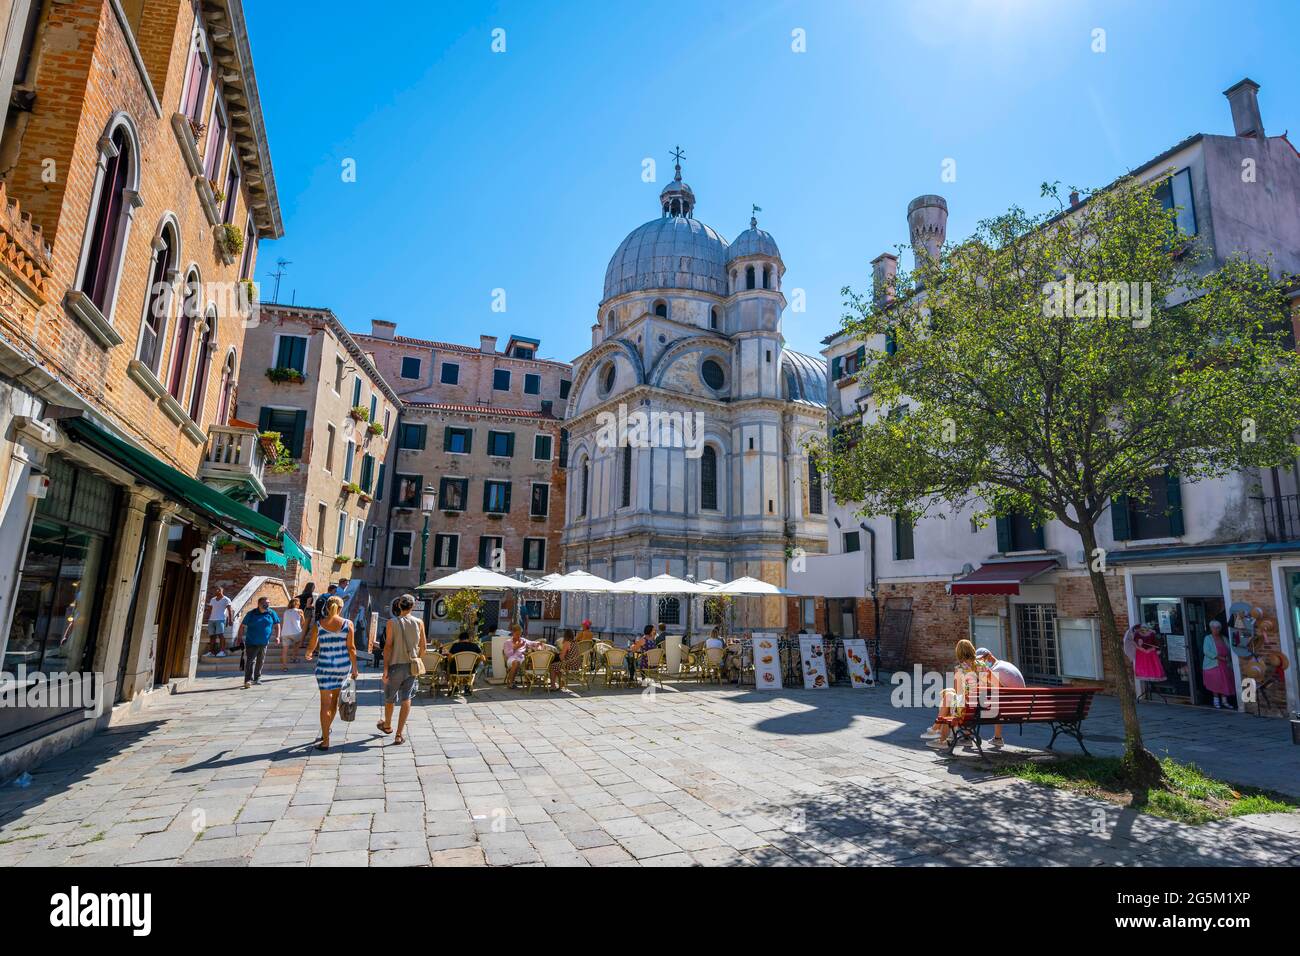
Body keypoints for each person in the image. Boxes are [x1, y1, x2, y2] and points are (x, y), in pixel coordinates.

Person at [304, 595, 358, 750]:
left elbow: (312, 646)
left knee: (324, 704)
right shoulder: (348, 624)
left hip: (324, 667)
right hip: (341, 667)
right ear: (341, 608)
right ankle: (327, 729)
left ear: (327, 607)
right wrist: (355, 668)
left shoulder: (319, 624)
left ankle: (325, 739)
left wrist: (308, 654)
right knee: (334, 702)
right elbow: (352, 648)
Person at [378, 594, 426, 745]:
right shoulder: (419, 622)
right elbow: (423, 648)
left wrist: (385, 669)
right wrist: (415, 657)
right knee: (407, 698)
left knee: (390, 698)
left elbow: (388, 646)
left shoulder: (392, 622)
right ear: (412, 607)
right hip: (412, 665)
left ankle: (387, 725)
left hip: (395, 665)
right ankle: (399, 734)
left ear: (399, 606)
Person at [921, 640, 985, 749]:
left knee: (947, 700)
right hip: (981, 707)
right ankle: (940, 732)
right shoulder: (982, 665)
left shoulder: (960, 668)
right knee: (949, 695)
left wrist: (948, 693)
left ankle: (940, 736)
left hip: (967, 707)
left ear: (959, 653)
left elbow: (958, 692)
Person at [975, 647, 1025, 750]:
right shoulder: (1005, 664)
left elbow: (986, 691)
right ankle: (997, 738)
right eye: (979, 661)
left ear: (989, 656)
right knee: (998, 701)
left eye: (982, 660)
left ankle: (966, 735)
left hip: (1012, 708)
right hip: (1024, 707)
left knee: (975, 704)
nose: (981, 663)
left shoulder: (995, 670)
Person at [237, 596, 280, 688]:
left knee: (260, 661)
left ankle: (257, 678)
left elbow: (277, 625)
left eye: (268, 603)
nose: (267, 605)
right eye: (265, 603)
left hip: (264, 642)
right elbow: (242, 626)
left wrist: (277, 636)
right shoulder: (251, 613)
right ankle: (248, 680)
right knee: (250, 661)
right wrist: (239, 638)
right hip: (251, 641)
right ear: (259, 604)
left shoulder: (271, 613)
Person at [1201, 620, 1235, 709]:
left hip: (1225, 664)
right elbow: (1206, 651)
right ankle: (1216, 701)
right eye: (1214, 628)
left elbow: (1229, 649)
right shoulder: (1208, 638)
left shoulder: (1224, 638)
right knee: (1215, 683)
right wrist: (1219, 657)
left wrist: (1228, 657)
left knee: (1225, 683)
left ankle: (1224, 701)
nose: (1216, 630)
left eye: (1218, 628)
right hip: (1213, 664)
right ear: (1211, 628)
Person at [206, 587, 233, 657]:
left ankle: (222, 651)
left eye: (219, 590)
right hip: (211, 620)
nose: (217, 591)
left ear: (222, 591)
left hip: (220, 619)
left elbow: (230, 610)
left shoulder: (226, 599)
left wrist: (230, 620)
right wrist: (207, 618)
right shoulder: (212, 599)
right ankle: (211, 652)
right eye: (216, 590)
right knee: (212, 636)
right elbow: (210, 609)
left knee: (221, 635)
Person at [279, 597, 305, 670]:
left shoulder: (286, 612)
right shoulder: (299, 611)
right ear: (297, 604)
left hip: (285, 632)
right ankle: (294, 657)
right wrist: (302, 616)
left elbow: (283, 622)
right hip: (296, 632)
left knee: (285, 650)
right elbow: (303, 623)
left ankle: (284, 667)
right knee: (297, 643)